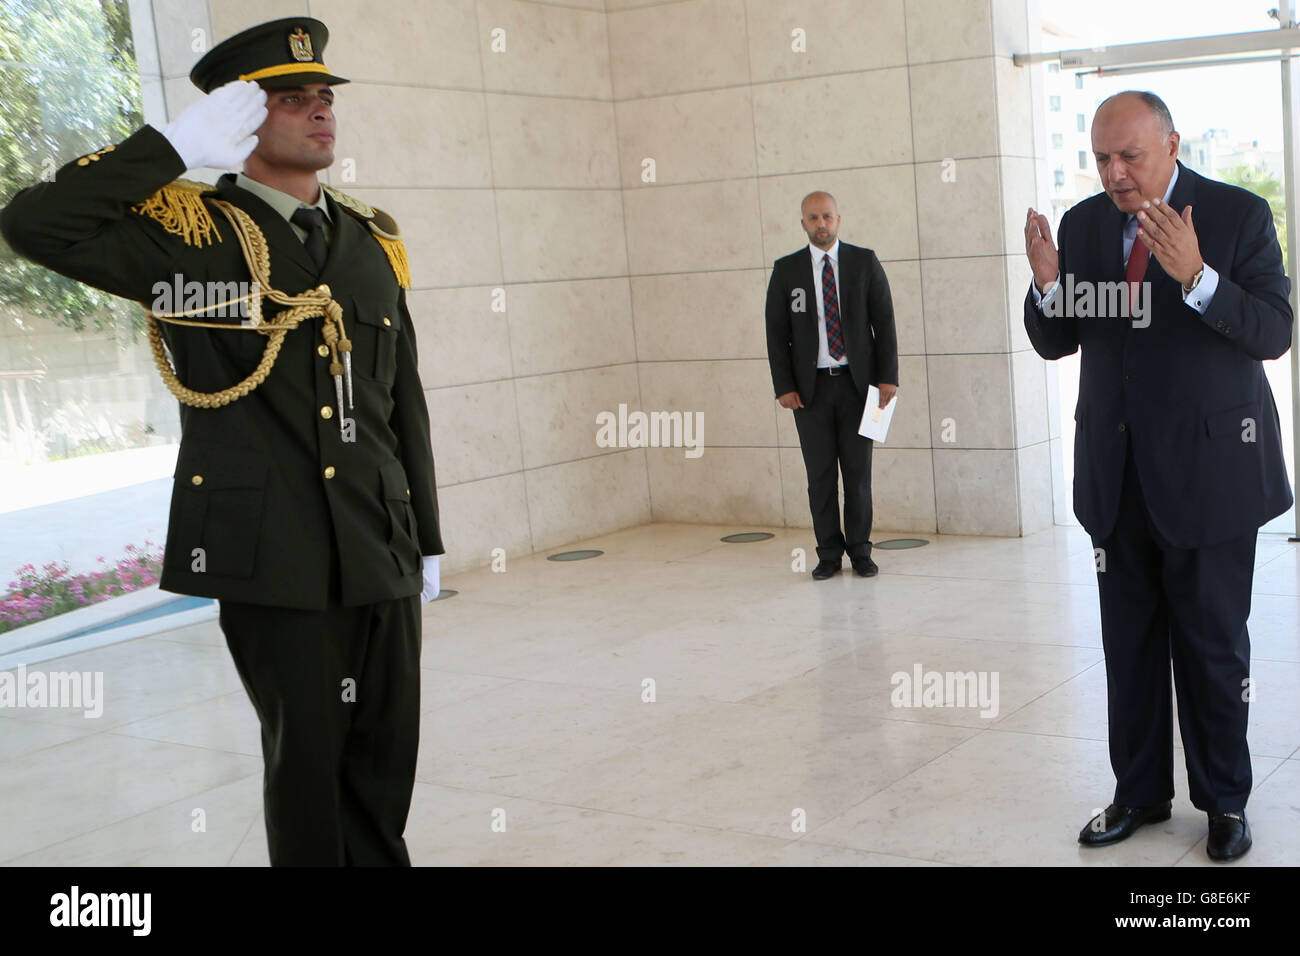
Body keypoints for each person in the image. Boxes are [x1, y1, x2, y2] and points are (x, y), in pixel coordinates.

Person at [0, 17, 445, 866]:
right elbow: (33, 226)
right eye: (291, 100)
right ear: (241, 117)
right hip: (274, 552)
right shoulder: (186, 232)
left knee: (385, 763)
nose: (320, 113)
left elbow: (402, 398)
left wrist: (424, 530)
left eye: (324, 98)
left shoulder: (368, 240)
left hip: (378, 540)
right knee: (308, 764)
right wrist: (167, 146)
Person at [1023, 91, 1292, 862]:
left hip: (1211, 475)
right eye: (1102, 158)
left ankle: (1225, 805)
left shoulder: (1237, 215)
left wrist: (1199, 276)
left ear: (1171, 144)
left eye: (1129, 156)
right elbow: (1058, 340)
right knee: (1128, 644)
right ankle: (1138, 793)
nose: (1114, 173)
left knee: (1212, 649)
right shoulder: (1081, 227)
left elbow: (1275, 329)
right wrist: (1048, 287)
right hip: (1118, 475)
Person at [765, 191, 899, 580]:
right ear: (803, 224)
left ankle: (860, 551)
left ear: (838, 219)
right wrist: (783, 385)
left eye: (826, 216)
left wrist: (887, 378)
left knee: (858, 476)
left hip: (860, 389)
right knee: (820, 477)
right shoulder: (787, 271)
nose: (820, 224)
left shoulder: (863, 262)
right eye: (812, 218)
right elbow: (776, 335)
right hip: (810, 392)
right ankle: (828, 554)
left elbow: (885, 321)